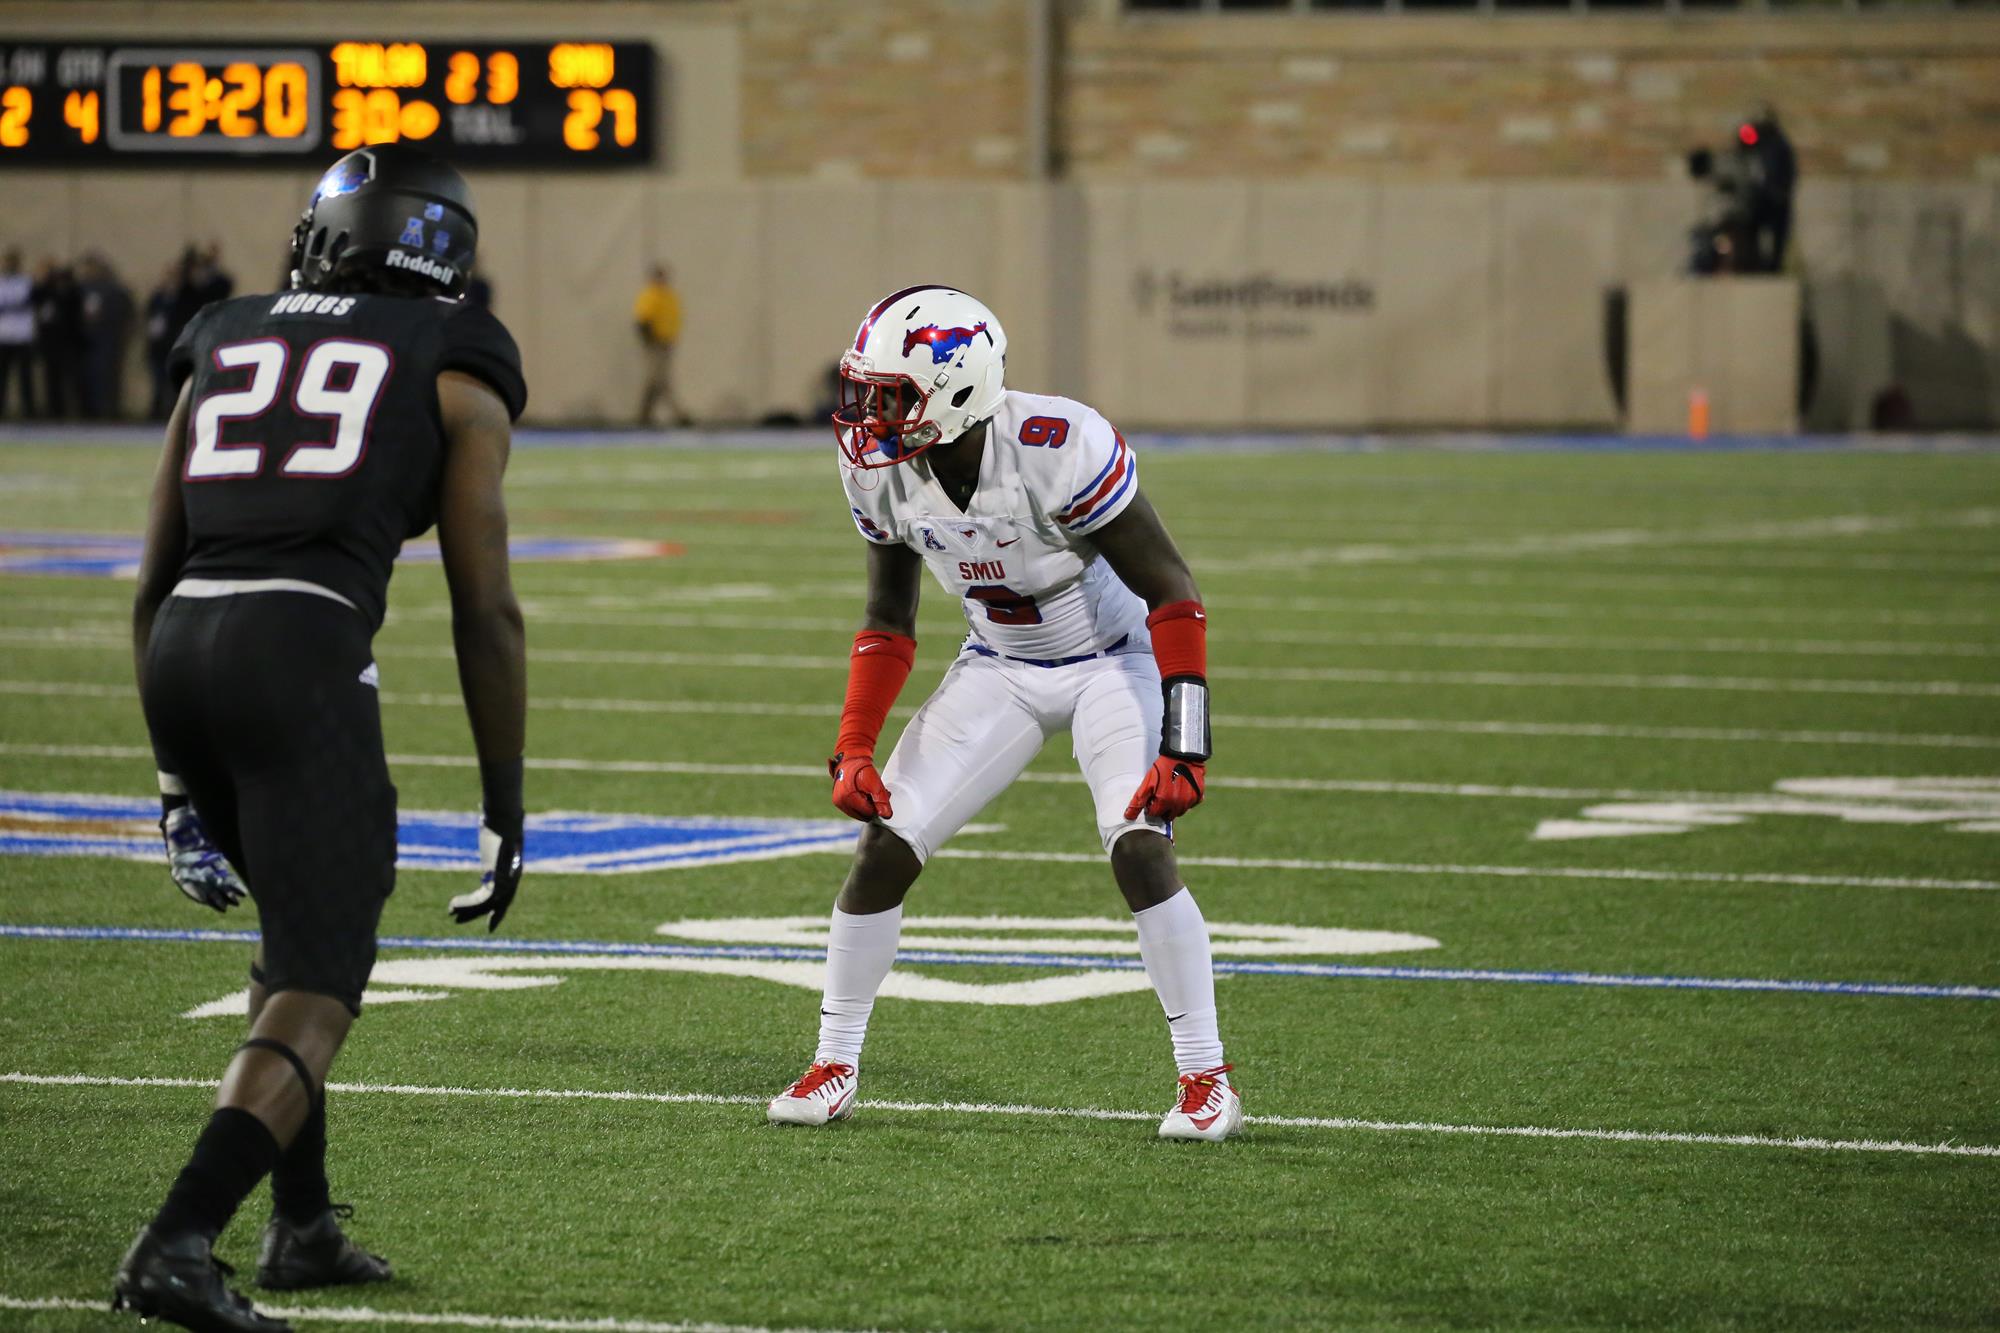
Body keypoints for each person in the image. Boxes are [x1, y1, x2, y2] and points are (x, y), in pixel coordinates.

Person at [114, 143, 530, 1333]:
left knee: (290, 937)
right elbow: (483, 601)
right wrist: (504, 799)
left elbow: (151, 576)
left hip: (180, 650)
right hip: (296, 654)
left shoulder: (223, 333)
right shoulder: (458, 361)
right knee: (321, 978)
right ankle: (179, 1241)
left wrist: (170, 776)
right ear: (441, 250)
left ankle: (301, 1226)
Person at [765, 286, 1240, 1142]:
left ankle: (1206, 1077)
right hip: (1001, 664)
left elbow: (1173, 592)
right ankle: (835, 1060)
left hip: (1113, 661)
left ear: (955, 390)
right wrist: (853, 745)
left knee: (1137, 842)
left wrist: (1186, 743)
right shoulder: (880, 470)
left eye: (892, 395)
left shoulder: (1059, 444)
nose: (871, 414)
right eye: (867, 392)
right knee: (884, 846)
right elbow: (888, 620)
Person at [632, 262, 690, 427]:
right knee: (661, 379)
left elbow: (675, 318)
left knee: (655, 380)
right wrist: (649, 341)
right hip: (655, 343)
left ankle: (644, 415)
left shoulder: (669, 296)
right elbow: (642, 320)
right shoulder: (650, 296)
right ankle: (679, 414)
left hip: (667, 342)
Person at [78, 253, 135, 419]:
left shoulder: (114, 290)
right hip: (85, 343)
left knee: (107, 377)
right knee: (87, 377)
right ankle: (88, 411)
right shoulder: (81, 289)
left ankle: (108, 410)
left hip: (108, 341)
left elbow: (125, 315)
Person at [0, 249, 34, 418]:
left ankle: (29, 411)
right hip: (3, 336)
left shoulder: (26, 283)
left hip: (22, 336)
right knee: (2, 376)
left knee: (25, 376)